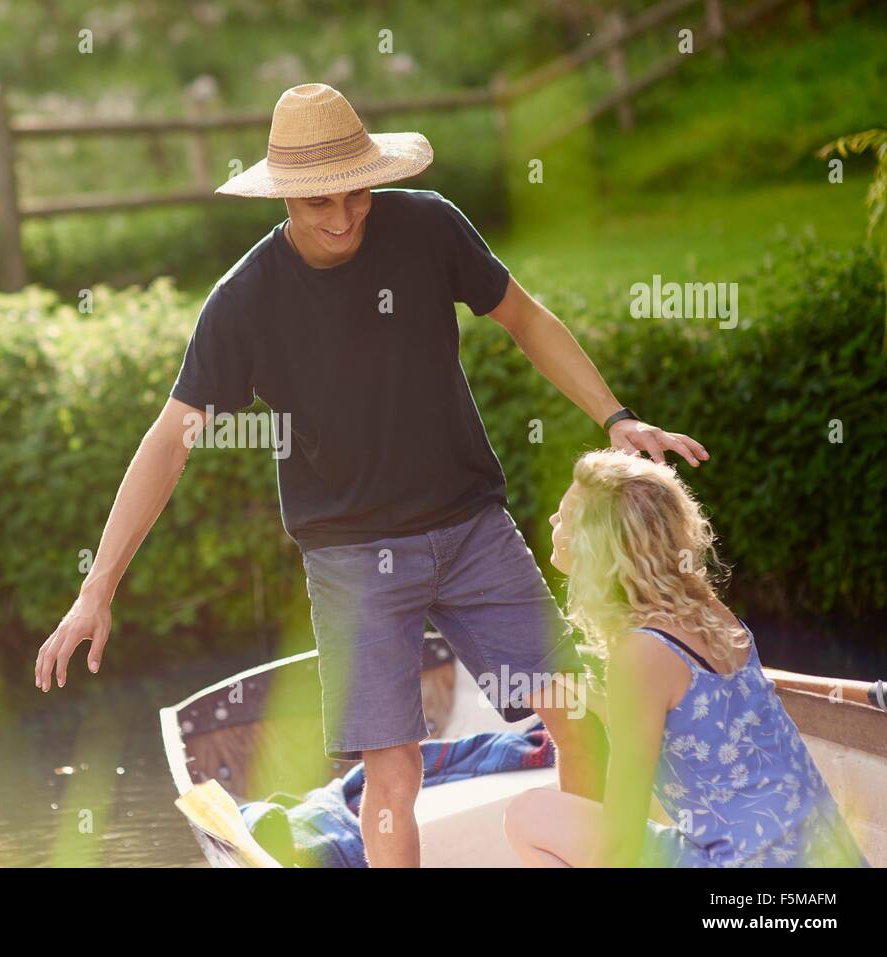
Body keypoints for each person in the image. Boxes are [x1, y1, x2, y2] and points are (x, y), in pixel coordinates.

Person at [36, 82, 709, 867]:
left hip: (471, 528)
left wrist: (616, 415)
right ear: (284, 195)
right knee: (393, 769)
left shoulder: (428, 226)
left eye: (355, 194)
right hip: (352, 557)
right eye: (319, 202)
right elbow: (169, 441)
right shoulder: (245, 301)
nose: (343, 217)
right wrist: (97, 587)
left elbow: (524, 316)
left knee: (574, 715)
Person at [503, 448, 870, 867]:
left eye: (566, 515)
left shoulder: (640, 655)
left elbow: (621, 844)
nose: (553, 521)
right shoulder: (708, 610)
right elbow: (697, 726)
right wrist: (592, 699)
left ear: (595, 545)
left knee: (529, 816)